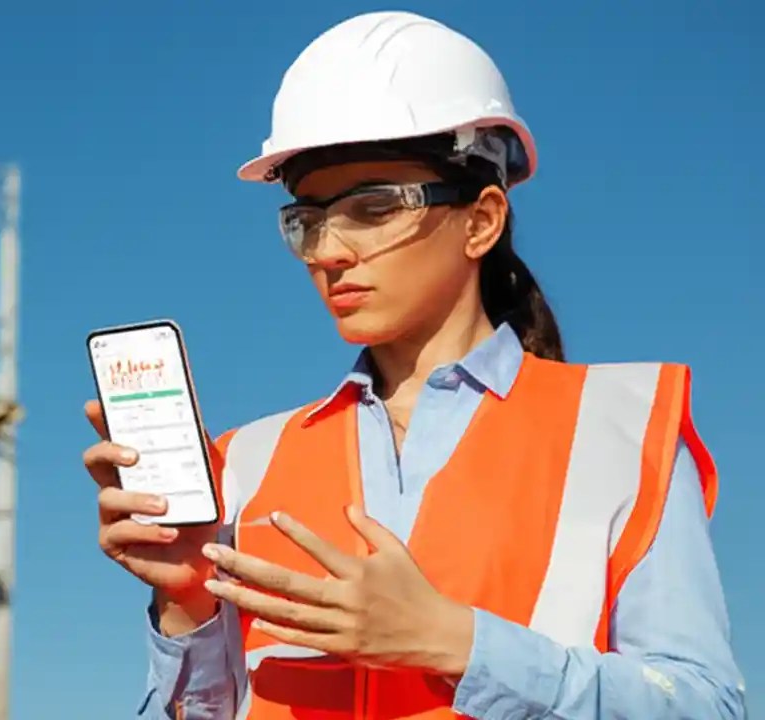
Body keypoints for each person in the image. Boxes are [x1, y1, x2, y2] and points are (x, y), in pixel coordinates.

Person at [81, 10, 746, 720]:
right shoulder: (243, 462)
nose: (327, 252)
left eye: (373, 209)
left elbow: (704, 705)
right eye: (308, 220)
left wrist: (458, 644)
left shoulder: (621, 428)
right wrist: (186, 603)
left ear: (481, 221)